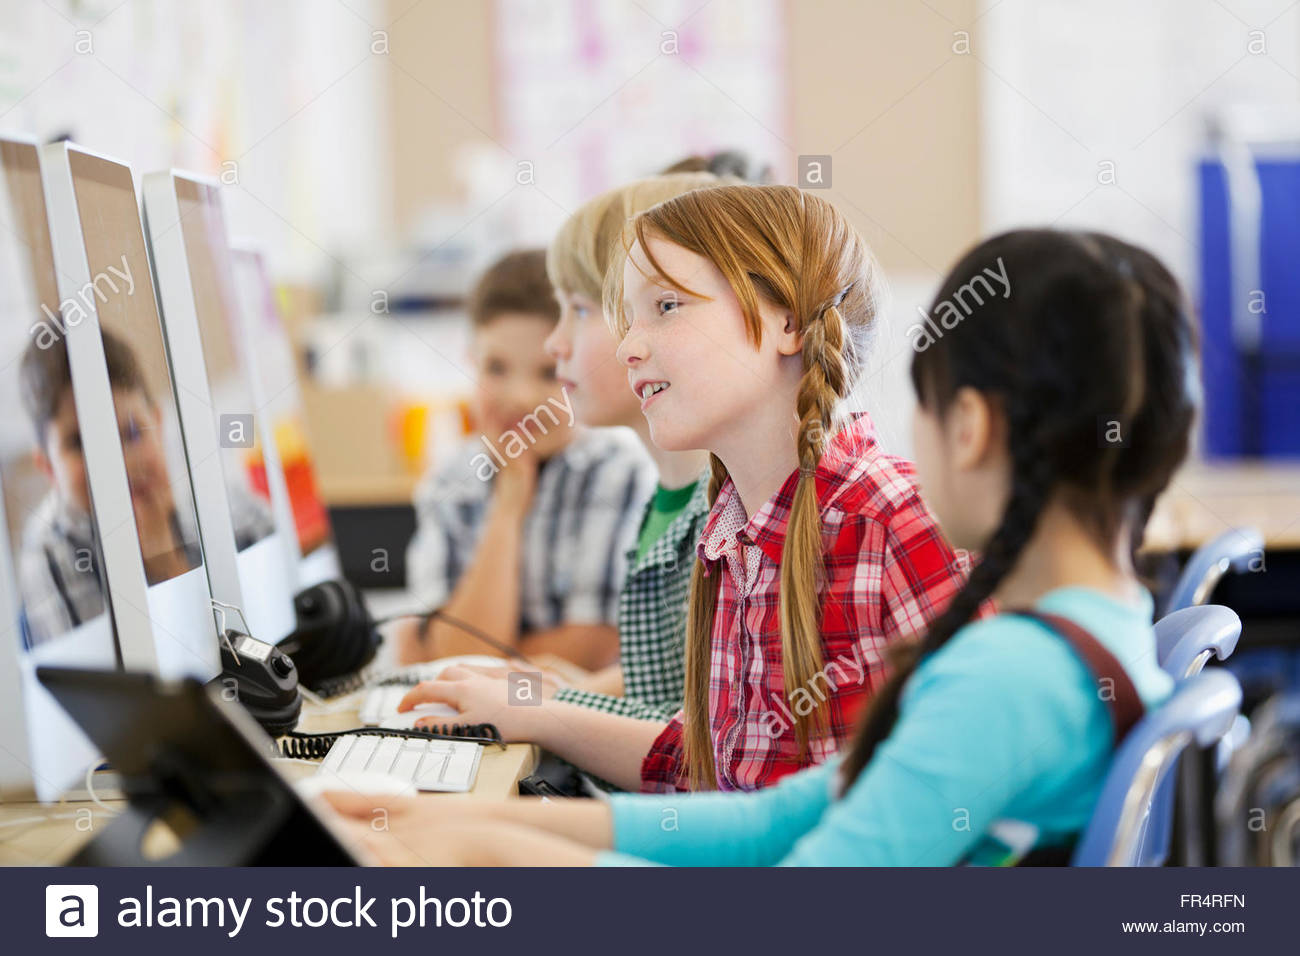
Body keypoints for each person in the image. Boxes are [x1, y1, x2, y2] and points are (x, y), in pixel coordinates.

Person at [326, 228, 1197, 866]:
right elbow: (777, 819)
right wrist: (479, 831)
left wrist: (497, 863)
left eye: (921, 407)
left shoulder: (1014, 676)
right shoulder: (1092, 634)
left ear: (969, 427)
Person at [399, 185, 969, 793]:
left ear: (786, 321)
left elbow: (988, 785)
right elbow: (709, 766)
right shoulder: (730, 533)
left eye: (666, 307)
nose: (627, 346)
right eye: (625, 317)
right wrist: (535, 716)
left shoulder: (892, 519)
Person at [400, 249, 654, 670]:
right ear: (470, 360)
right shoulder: (450, 481)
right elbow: (455, 654)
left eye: (547, 373)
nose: (520, 397)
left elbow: (592, 648)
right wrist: (509, 504)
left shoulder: (619, 472)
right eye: (496, 367)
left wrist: (470, 651)